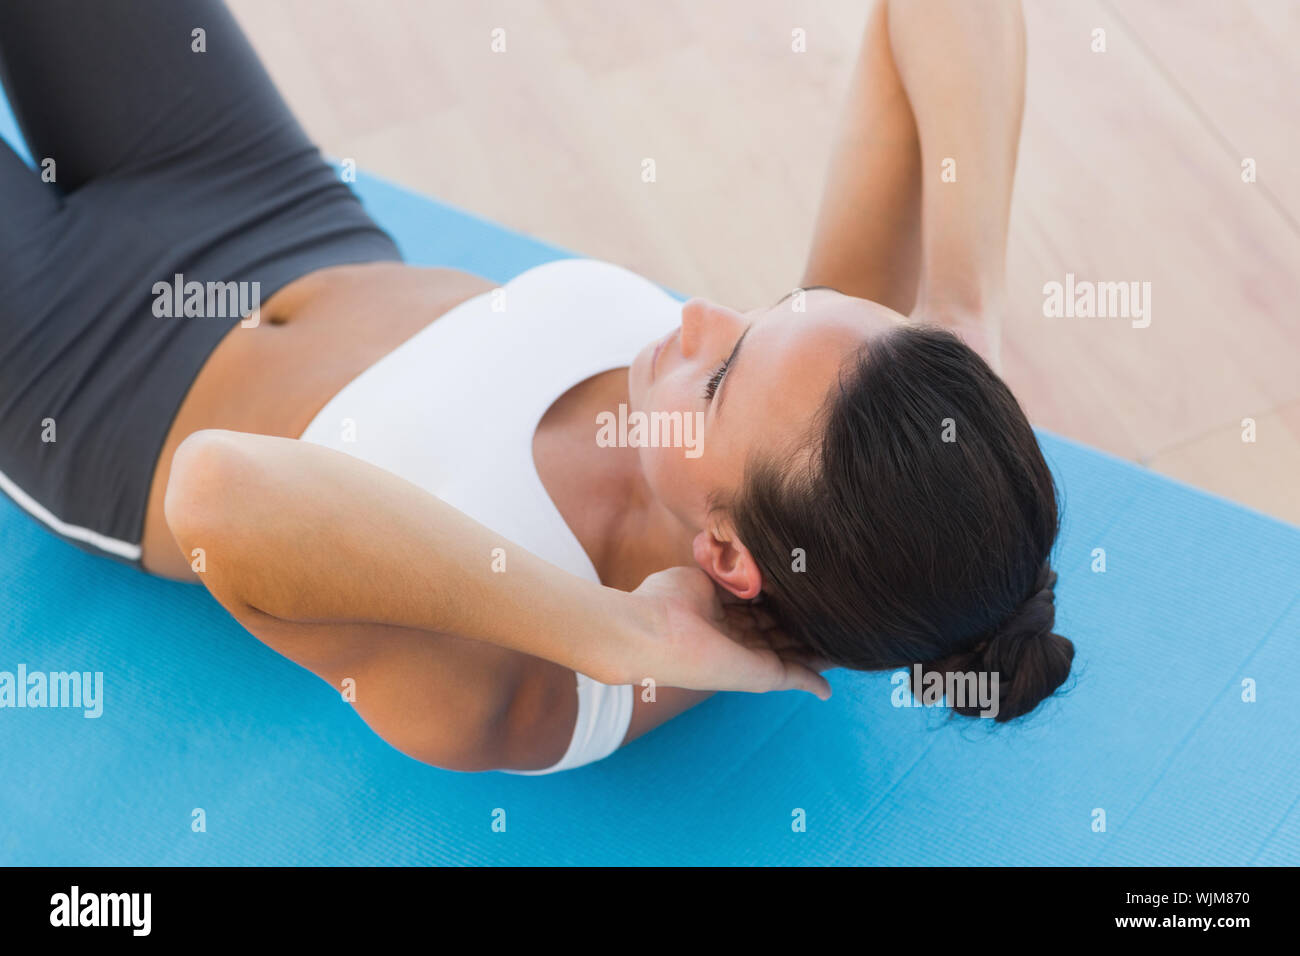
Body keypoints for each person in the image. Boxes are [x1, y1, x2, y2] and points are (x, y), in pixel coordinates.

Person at [0, 0, 1072, 774]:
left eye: (722, 368)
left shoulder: (531, 687)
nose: (701, 316)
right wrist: (963, 309)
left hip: (78, 370)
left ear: (730, 558)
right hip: (268, 200)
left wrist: (622, 632)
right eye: (768, 314)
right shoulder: (805, 425)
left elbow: (214, 488)